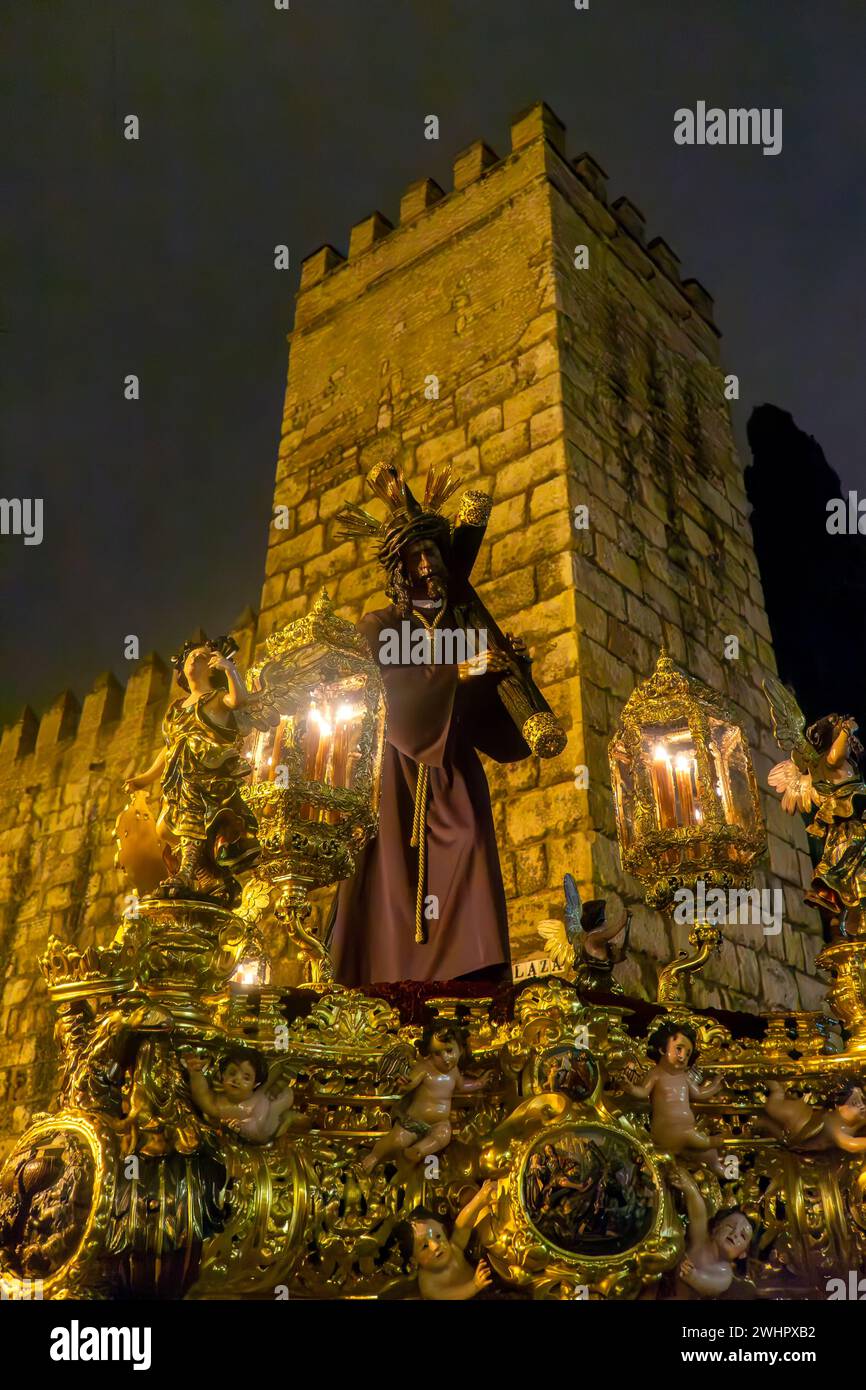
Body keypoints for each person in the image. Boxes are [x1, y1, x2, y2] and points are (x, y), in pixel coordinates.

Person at [327, 460, 546, 984]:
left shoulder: (462, 622)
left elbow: (486, 725)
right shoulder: (379, 625)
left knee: (469, 842)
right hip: (397, 774)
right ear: (400, 568)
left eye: (432, 552)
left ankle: (473, 978)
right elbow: (391, 692)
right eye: (416, 554)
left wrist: (507, 672)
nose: (427, 563)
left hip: (451, 769)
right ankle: (383, 977)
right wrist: (467, 666)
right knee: (387, 879)